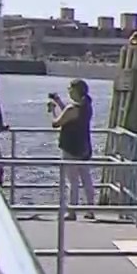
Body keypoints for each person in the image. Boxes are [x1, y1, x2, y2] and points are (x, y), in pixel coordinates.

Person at [47, 79, 97, 220]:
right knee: (86, 179)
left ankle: (72, 211)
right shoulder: (86, 106)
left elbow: (57, 123)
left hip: (71, 148)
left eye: (70, 88)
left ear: (75, 90)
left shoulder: (72, 109)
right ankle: (91, 209)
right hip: (84, 147)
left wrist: (53, 111)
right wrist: (59, 102)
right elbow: (70, 115)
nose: (68, 90)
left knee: (73, 181)